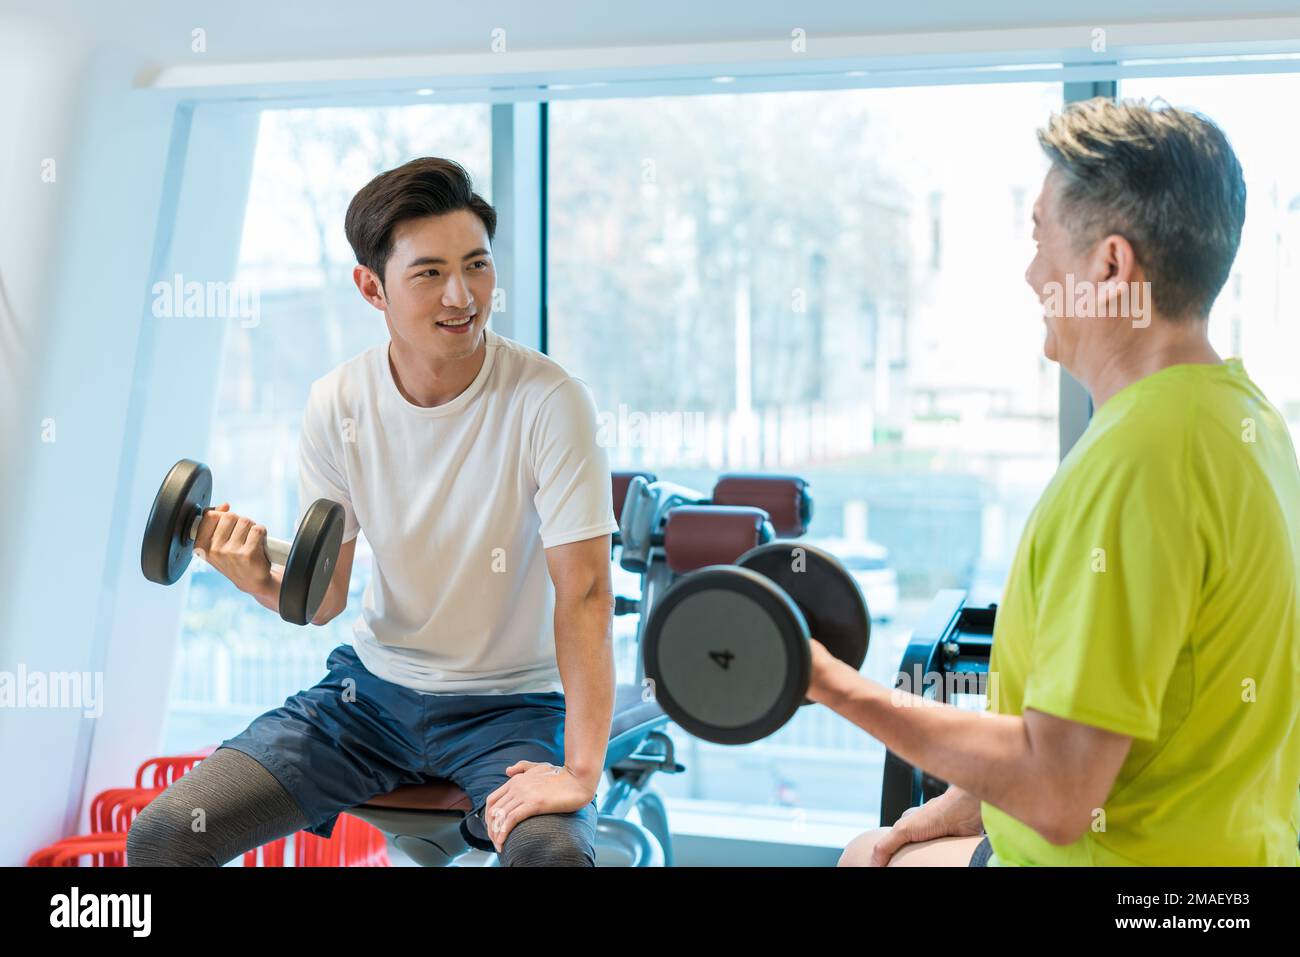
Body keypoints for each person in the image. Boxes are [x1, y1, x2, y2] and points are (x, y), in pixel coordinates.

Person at [816, 98, 1300, 866]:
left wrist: (831, 684)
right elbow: (1141, 710)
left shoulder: (1139, 459)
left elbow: (1062, 791)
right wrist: (968, 797)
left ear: (1109, 267)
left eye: (1041, 237)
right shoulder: (1248, 422)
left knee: (861, 858)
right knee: (886, 849)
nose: (1031, 271)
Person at [128, 158, 618, 867]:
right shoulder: (339, 402)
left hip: (512, 709)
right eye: (429, 273)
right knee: (167, 832)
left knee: (554, 856)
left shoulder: (548, 400)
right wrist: (253, 574)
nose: (463, 294)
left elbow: (586, 592)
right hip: (368, 700)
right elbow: (321, 595)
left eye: (477, 265)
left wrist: (580, 771)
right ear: (371, 287)